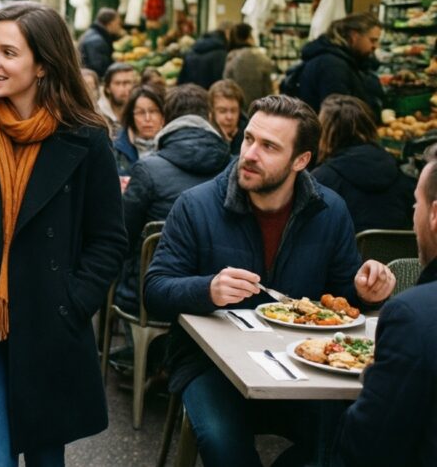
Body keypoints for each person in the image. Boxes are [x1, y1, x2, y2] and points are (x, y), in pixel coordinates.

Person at [144, 94, 396, 467]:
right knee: (222, 445)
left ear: (301, 160)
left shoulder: (330, 211)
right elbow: (155, 291)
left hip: (305, 367)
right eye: (248, 139)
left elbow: (345, 302)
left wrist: (367, 292)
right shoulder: (196, 205)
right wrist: (207, 289)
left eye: (268, 147)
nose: (249, 154)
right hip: (210, 367)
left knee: (351, 437)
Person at [0, 1, 127, 466]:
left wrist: (73, 302)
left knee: (44, 460)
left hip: (48, 323)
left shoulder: (87, 137)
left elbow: (110, 239)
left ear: (42, 65)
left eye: (8, 53)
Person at [336, 154, 437, 467]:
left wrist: (375, 376)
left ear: (434, 215)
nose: (412, 217)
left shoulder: (413, 316)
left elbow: (366, 447)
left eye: (415, 205)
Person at [116, 85, 230, 314]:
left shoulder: (148, 169)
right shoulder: (233, 167)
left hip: (148, 294)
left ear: (166, 119)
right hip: (219, 297)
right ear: (209, 117)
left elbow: (123, 236)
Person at [312, 94, 414, 232]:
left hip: (349, 252)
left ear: (325, 133)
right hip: (404, 252)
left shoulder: (321, 180)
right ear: (369, 126)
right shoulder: (397, 168)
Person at [297, 12, 384, 118]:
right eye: (372, 40)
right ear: (354, 36)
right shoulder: (332, 65)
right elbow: (338, 117)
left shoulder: (350, 61)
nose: (376, 46)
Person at [113, 84, 164, 175]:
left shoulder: (172, 145)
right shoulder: (117, 150)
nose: (147, 118)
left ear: (163, 115)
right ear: (131, 116)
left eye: (153, 111)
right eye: (140, 112)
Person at [223, 22, 273, 103]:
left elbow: (227, 86)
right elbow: (267, 88)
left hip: (236, 106)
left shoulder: (231, 57)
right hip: (258, 105)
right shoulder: (261, 58)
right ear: (249, 37)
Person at [208, 79, 249, 155]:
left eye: (234, 111)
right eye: (222, 111)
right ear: (211, 113)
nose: (229, 117)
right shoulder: (203, 136)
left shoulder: (248, 137)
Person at [79, 7, 122, 78]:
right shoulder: (96, 41)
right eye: (118, 23)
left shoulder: (95, 34)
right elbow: (98, 69)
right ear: (110, 24)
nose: (119, 27)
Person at [98, 62, 138, 133]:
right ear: (107, 88)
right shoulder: (98, 114)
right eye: (118, 83)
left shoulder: (140, 110)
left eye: (128, 83)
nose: (123, 88)